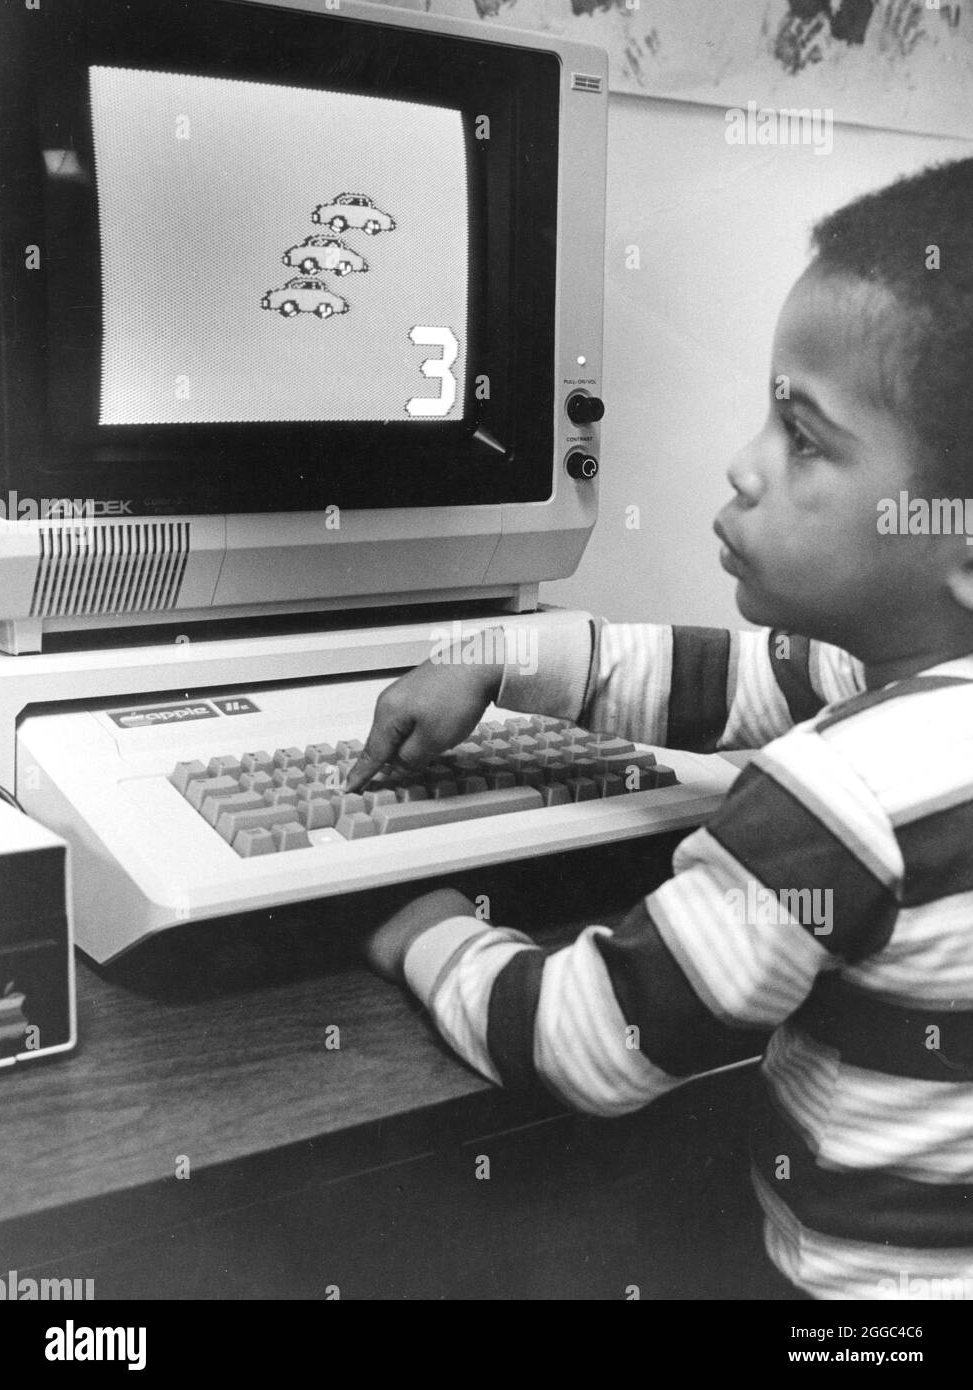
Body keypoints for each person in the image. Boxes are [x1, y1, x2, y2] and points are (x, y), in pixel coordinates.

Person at [347, 157, 973, 1301]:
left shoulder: (842, 794)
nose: (744, 464)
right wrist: (505, 654)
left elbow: (593, 1042)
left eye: (806, 438)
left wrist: (433, 934)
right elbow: (731, 677)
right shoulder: (916, 703)